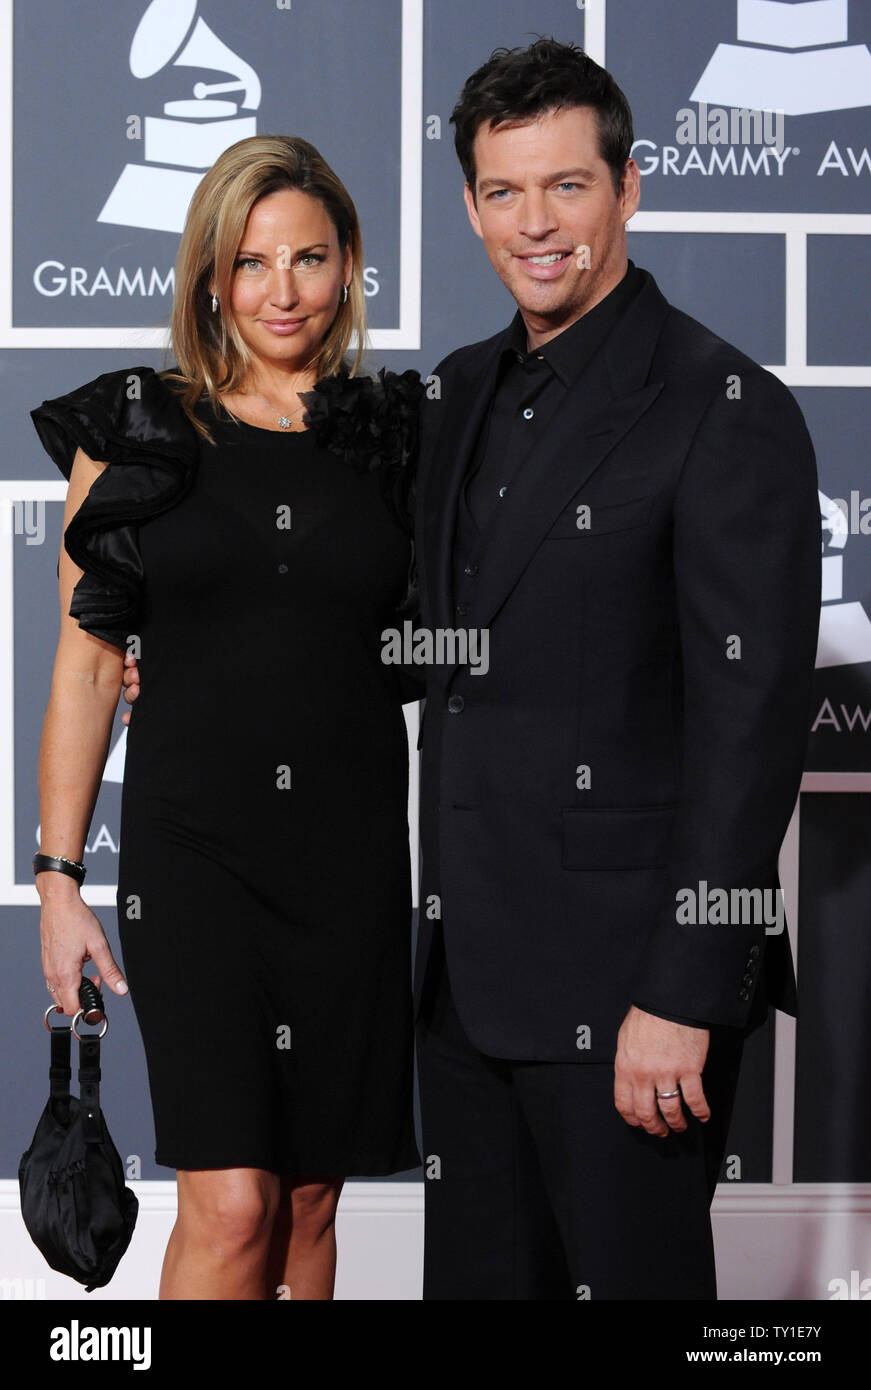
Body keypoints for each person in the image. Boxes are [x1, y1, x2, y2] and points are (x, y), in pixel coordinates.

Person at [409, 40, 820, 1298]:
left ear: (628, 187)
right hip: (463, 985)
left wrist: (684, 991)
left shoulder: (722, 405)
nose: (535, 226)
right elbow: (423, 640)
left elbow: (750, 727)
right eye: (501, 193)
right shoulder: (459, 389)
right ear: (471, 204)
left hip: (632, 998)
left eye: (567, 187)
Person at [31, 133, 422, 1301]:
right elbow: (90, 665)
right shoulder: (140, 432)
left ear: (349, 265)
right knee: (233, 1195)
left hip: (349, 855)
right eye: (253, 263)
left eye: (309, 258)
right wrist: (58, 877)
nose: (283, 291)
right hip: (194, 855)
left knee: (308, 1195)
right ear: (211, 276)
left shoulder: (401, 436)